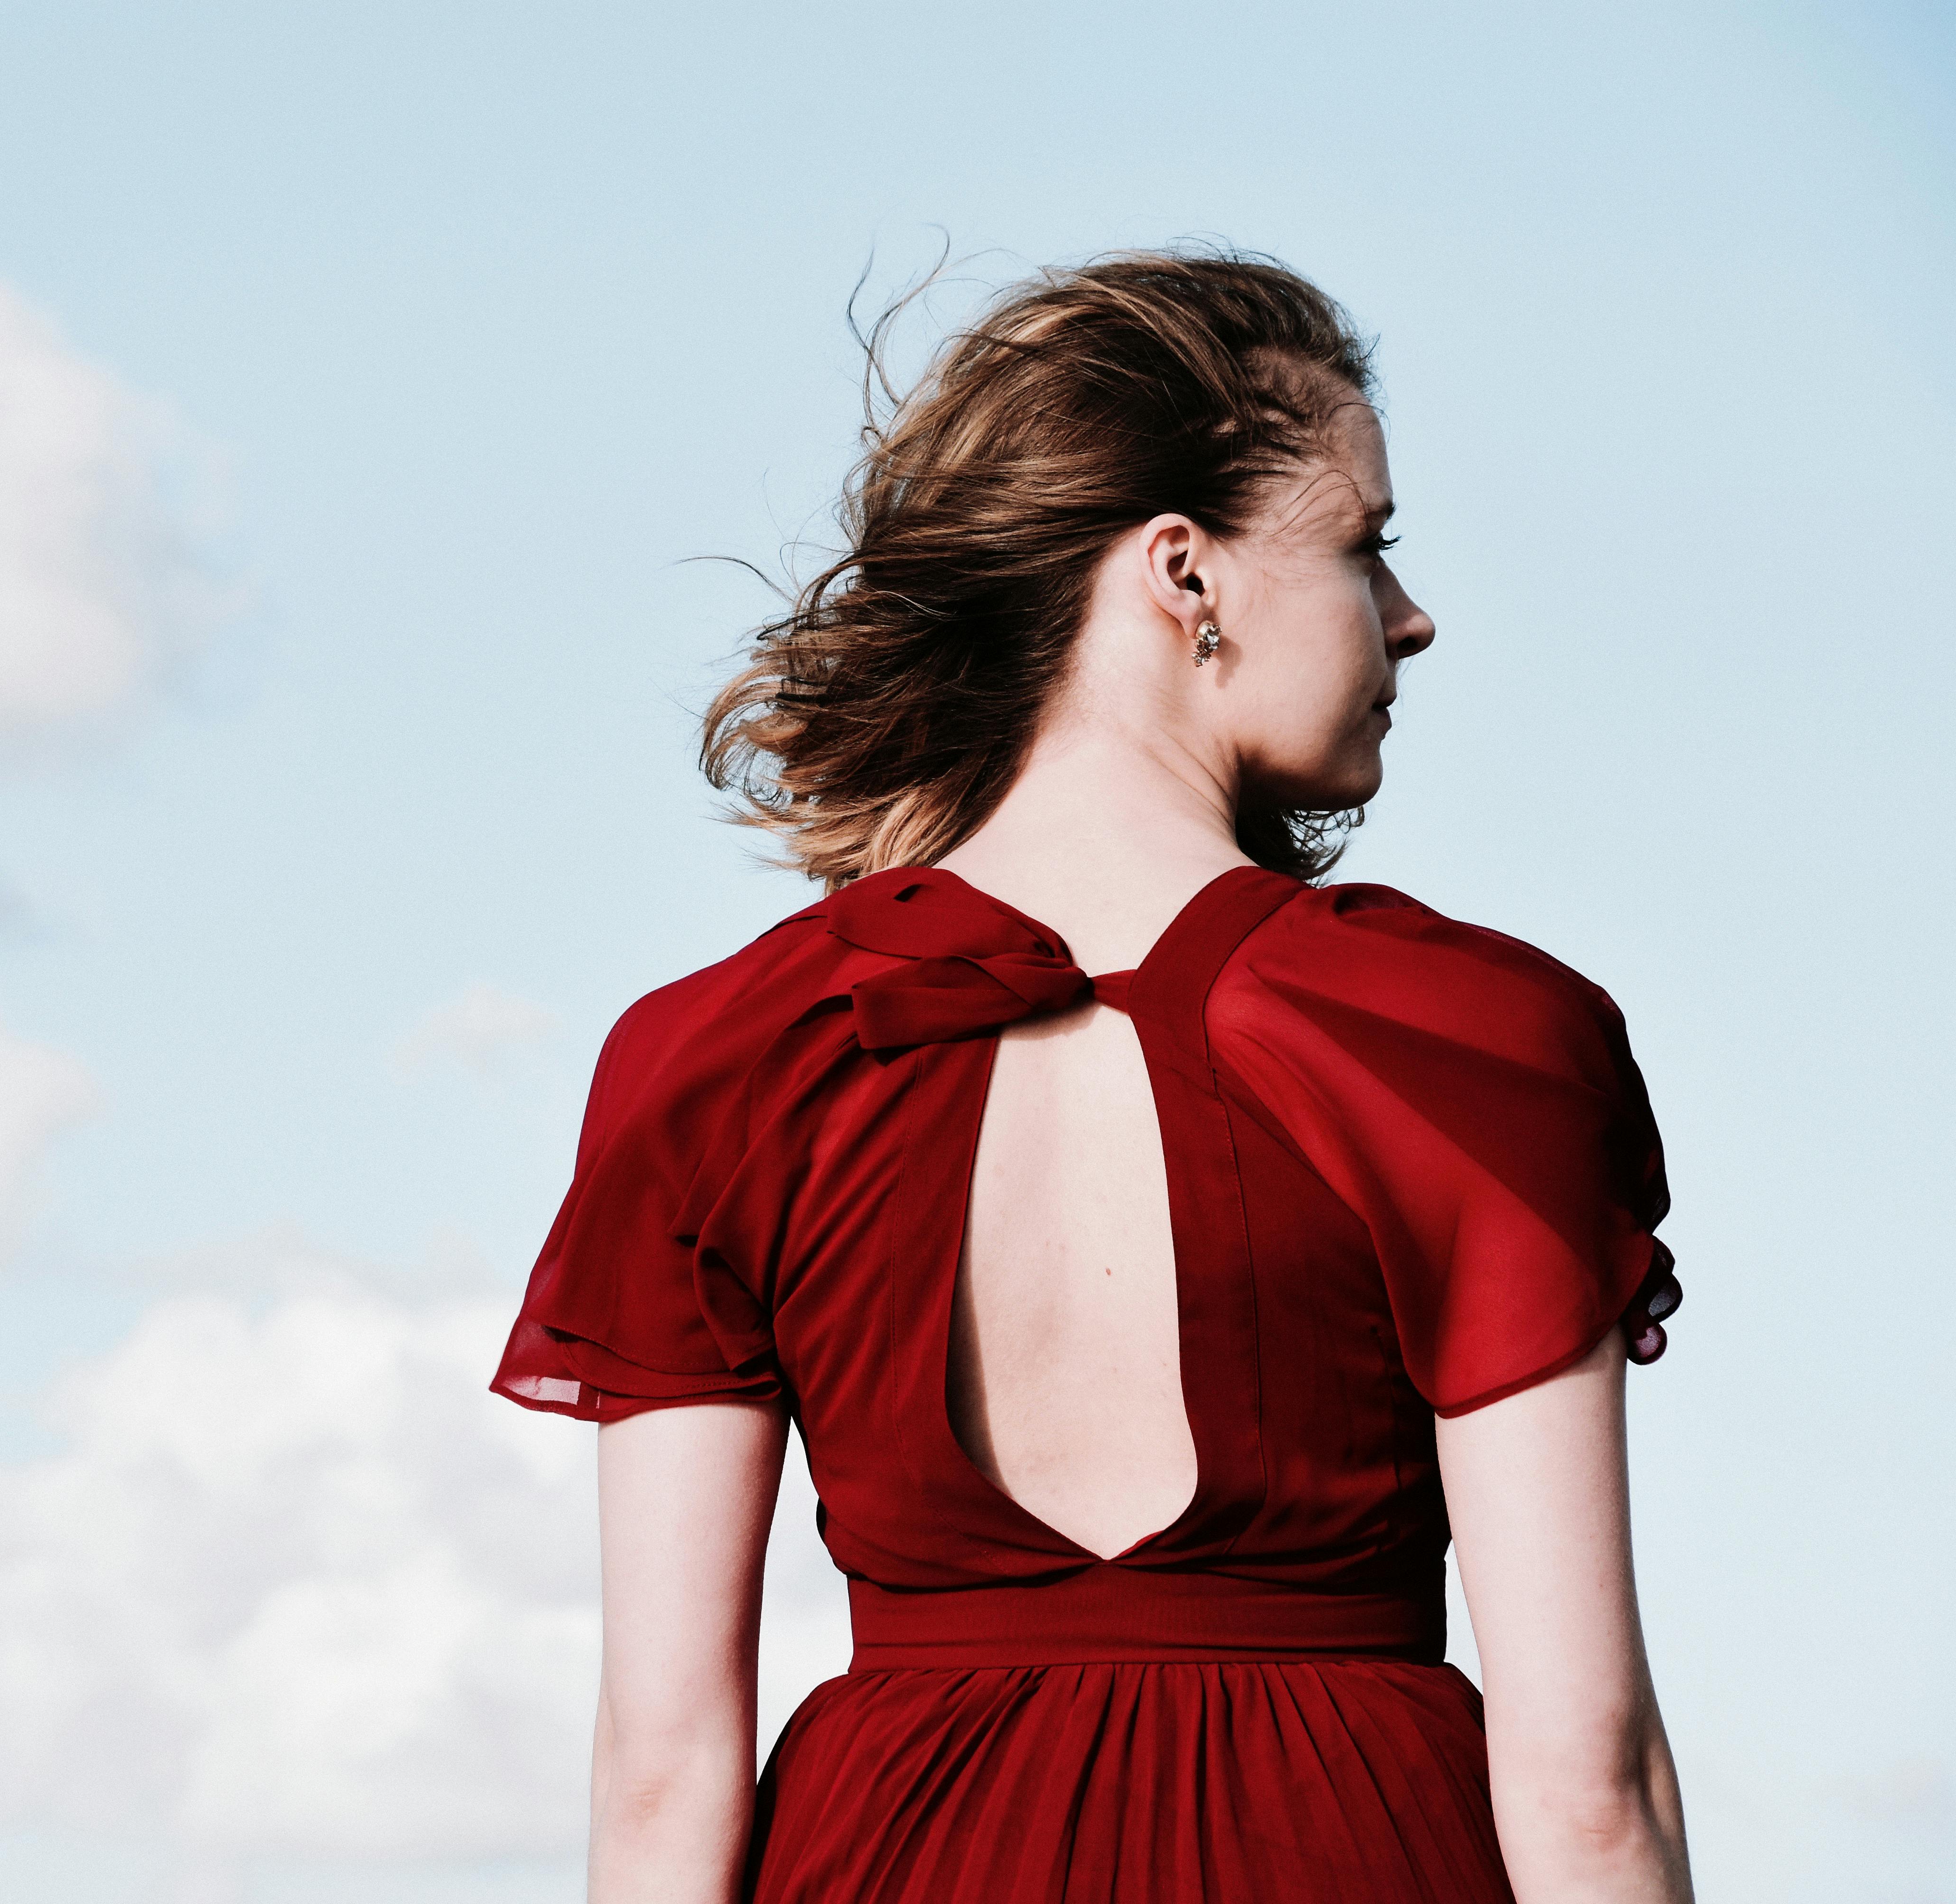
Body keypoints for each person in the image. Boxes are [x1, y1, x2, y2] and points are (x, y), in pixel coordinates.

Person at [488, 250, 1693, 1902]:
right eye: (1364, 546)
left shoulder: (725, 1062)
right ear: (1183, 572)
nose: (1410, 618)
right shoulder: (1469, 1042)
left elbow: (657, 1772)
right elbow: (1589, 1783)